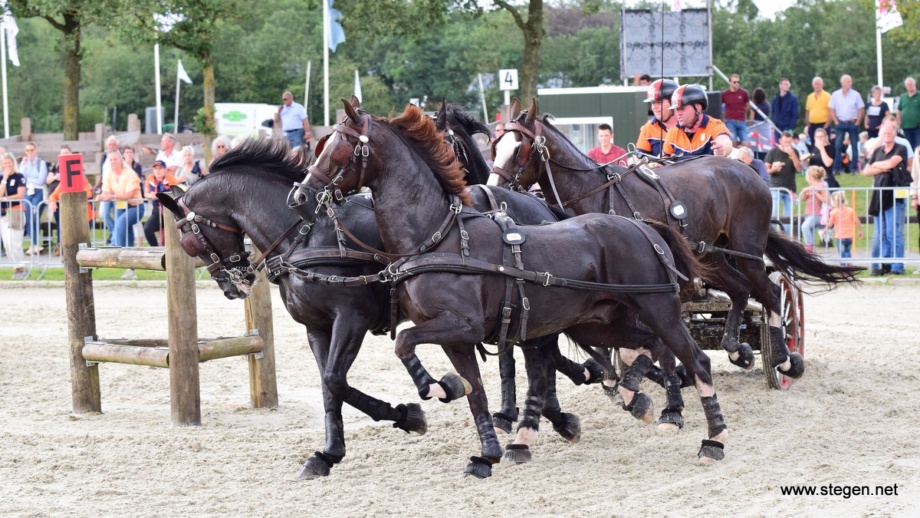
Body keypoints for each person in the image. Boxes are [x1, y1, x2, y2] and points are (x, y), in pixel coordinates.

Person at [863, 122, 908, 276]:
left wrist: (876, 165)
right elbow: (866, 172)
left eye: (890, 133)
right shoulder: (877, 151)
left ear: (895, 134)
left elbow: (892, 163)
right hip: (879, 195)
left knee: (893, 232)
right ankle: (881, 265)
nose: (887, 135)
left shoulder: (901, 148)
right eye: (884, 133)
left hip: (895, 195)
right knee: (879, 234)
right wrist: (881, 167)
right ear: (881, 135)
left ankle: (897, 266)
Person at [662, 84, 733, 159]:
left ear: (698, 108)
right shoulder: (673, 132)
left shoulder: (714, 125)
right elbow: (665, 157)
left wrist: (723, 150)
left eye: (682, 108)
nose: (678, 113)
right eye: (676, 109)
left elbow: (725, 141)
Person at [98, 150, 143, 251]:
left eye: (115, 159)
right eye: (111, 160)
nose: (113, 162)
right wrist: (101, 197)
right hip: (121, 205)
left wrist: (113, 197)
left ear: (121, 160)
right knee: (126, 228)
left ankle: (115, 248)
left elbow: (130, 194)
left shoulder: (130, 173)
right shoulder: (109, 174)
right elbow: (106, 191)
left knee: (121, 223)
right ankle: (129, 256)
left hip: (135, 206)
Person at [828, 74, 865, 176]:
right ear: (843, 83)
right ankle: (837, 168)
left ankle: (854, 169)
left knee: (854, 147)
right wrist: (835, 121)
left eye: (850, 81)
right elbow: (831, 108)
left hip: (852, 123)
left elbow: (861, 109)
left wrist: (858, 122)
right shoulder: (835, 95)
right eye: (848, 81)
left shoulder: (856, 95)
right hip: (840, 123)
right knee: (838, 146)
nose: (850, 83)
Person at [764, 130, 802, 228]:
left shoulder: (795, 151)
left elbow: (799, 169)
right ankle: (772, 235)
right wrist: (774, 169)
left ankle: (786, 238)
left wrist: (793, 155)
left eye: (789, 142)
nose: (787, 144)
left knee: (788, 216)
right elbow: (766, 170)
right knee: (774, 213)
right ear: (780, 141)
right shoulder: (773, 152)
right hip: (776, 187)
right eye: (785, 142)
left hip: (790, 189)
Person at [636, 78, 679, 159]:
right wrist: (652, 165)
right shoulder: (648, 128)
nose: (654, 107)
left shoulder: (689, 125)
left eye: (659, 102)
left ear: (673, 102)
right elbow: (639, 160)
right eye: (652, 103)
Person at [0, 152, 27, 279]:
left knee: (13, 242)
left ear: (13, 163)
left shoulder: (19, 177)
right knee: (7, 243)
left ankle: (22, 267)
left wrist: (6, 199)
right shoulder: (2, 179)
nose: (7, 165)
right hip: (4, 214)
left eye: (8, 163)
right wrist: (4, 179)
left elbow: (20, 194)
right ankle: (16, 267)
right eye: (4, 163)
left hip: (16, 211)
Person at [19, 142, 48, 255]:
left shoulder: (41, 163)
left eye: (32, 150)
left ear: (35, 150)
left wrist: (28, 178)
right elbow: (21, 178)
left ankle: (36, 243)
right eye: (28, 150)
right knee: (28, 217)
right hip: (27, 191)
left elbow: (41, 180)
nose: (30, 152)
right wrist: (24, 165)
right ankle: (33, 243)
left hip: (38, 191)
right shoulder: (24, 163)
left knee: (35, 216)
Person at [143, 160, 181, 247]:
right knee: (147, 229)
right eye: (155, 168)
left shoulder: (170, 178)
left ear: (164, 169)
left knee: (171, 234)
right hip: (157, 210)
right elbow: (146, 193)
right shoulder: (150, 178)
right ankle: (155, 249)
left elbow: (176, 193)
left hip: (170, 210)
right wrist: (150, 195)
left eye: (160, 168)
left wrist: (161, 196)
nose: (158, 171)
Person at [824, 191, 862, 265]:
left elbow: (830, 224)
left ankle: (843, 267)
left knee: (842, 254)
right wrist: (860, 231)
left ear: (834, 202)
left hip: (840, 237)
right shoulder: (850, 210)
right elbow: (857, 221)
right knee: (848, 251)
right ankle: (849, 263)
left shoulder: (834, 212)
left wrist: (825, 230)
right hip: (850, 236)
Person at [798, 166, 829, 253]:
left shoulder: (821, 186)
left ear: (810, 177)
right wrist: (805, 193)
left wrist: (815, 192)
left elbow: (826, 199)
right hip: (808, 213)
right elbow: (803, 199)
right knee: (810, 232)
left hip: (817, 213)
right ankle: (812, 254)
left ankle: (809, 246)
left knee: (804, 227)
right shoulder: (811, 186)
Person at [721, 74, 750, 144]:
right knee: (733, 142)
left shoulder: (743, 93)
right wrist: (725, 114)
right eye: (734, 82)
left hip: (741, 120)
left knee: (746, 143)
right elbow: (719, 105)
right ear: (730, 82)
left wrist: (742, 112)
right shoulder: (724, 94)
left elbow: (747, 105)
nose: (737, 84)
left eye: (738, 82)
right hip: (730, 121)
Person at [805, 76, 831, 144]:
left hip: (823, 124)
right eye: (815, 84)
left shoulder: (827, 96)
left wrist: (826, 125)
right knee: (813, 145)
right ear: (813, 85)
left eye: (818, 83)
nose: (817, 85)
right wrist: (808, 124)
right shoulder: (809, 97)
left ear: (822, 84)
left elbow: (831, 112)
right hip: (812, 125)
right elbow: (808, 111)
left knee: (825, 145)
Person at [897, 77, 920, 151]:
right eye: (908, 84)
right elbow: (899, 110)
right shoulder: (903, 97)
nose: (909, 86)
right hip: (906, 126)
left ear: (915, 84)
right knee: (908, 146)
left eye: (911, 84)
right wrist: (898, 122)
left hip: (918, 127)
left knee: (918, 146)